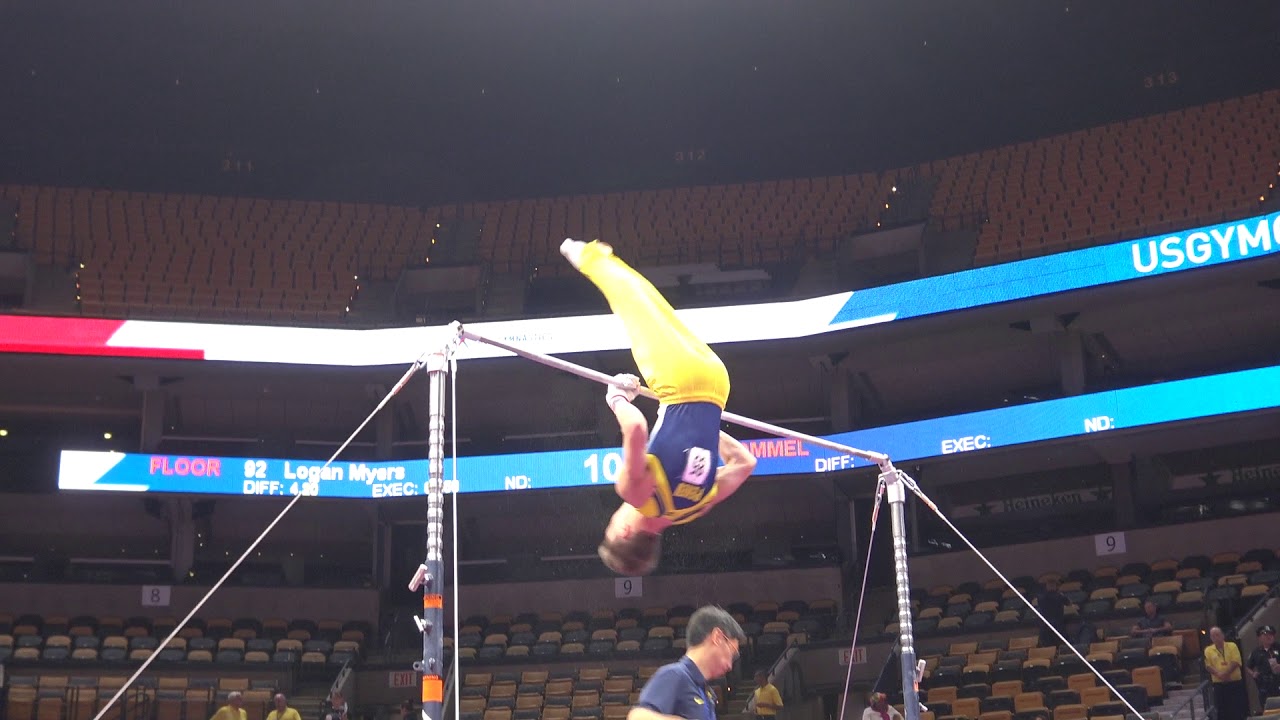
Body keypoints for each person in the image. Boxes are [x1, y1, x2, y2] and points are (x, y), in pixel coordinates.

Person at [561, 239, 758, 576]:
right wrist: (617, 398)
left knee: (652, 304)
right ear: (624, 531)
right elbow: (636, 430)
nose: (614, 514)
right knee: (634, 306)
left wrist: (708, 426)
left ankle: (605, 258)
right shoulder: (635, 493)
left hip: (716, 387)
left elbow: (745, 463)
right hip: (679, 381)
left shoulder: (695, 507)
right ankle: (587, 255)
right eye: (610, 523)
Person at [629, 605, 746, 720]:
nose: (730, 665)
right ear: (718, 637)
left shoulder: (704, 691)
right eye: (732, 653)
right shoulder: (675, 675)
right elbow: (638, 716)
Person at [1205, 626, 1248, 720]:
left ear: (1222, 635)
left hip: (1235, 683)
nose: (1215, 638)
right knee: (1222, 711)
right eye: (1213, 636)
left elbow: (1236, 661)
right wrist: (1219, 675)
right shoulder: (1208, 650)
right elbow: (1208, 665)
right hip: (1219, 685)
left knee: (1237, 709)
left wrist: (1225, 674)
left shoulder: (1232, 645)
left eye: (1217, 635)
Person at [1247, 625, 1280, 712]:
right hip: (1264, 686)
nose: (1269, 637)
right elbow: (1248, 666)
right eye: (1266, 635)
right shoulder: (1256, 652)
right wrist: (1253, 673)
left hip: (1278, 683)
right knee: (1267, 710)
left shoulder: (1278, 647)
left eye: (1271, 634)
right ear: (1260, 638)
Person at [1033, 577, 1071, 647]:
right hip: (1058, 625)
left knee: (1047, 646)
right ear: (1056, 587)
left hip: (1045, 626)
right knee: (1060, 645)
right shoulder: (1059, 596)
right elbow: (1068, 603)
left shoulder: (1041, 597)